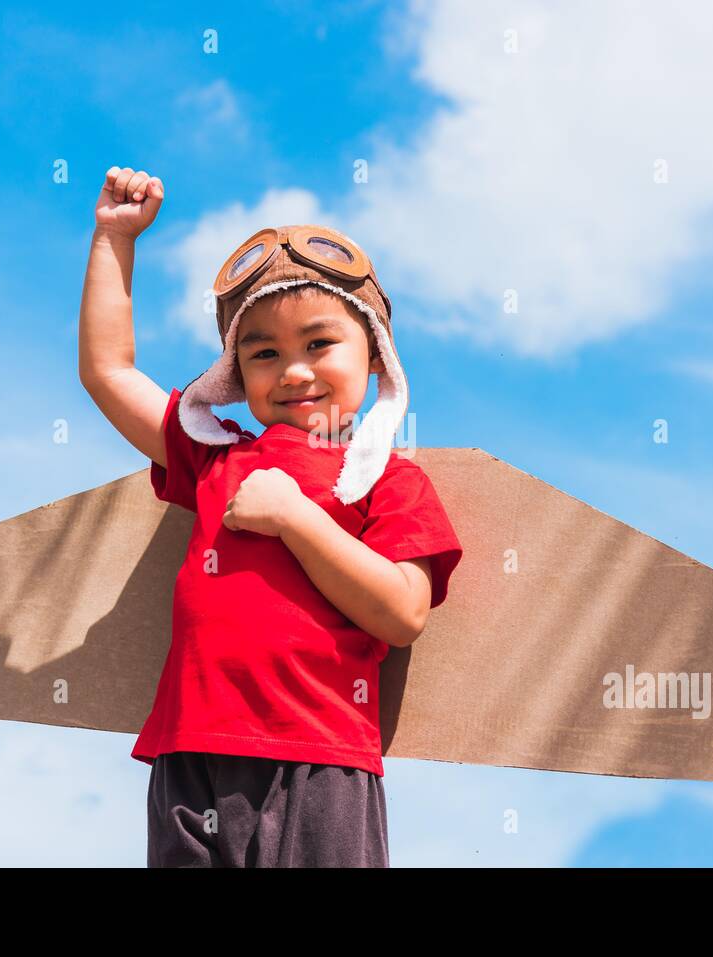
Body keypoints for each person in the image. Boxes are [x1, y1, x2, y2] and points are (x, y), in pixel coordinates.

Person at [78, 166, 463, 867]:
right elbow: (108, 373)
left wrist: (295, 517)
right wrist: (113, 240)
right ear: (235, 374)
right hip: (189, 755)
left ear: (373, 352)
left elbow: (404, 612)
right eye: (264, 353)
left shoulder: (387, 478)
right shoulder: (217, 454)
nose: (292, 370)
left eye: (319, 344)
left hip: (317, 757)